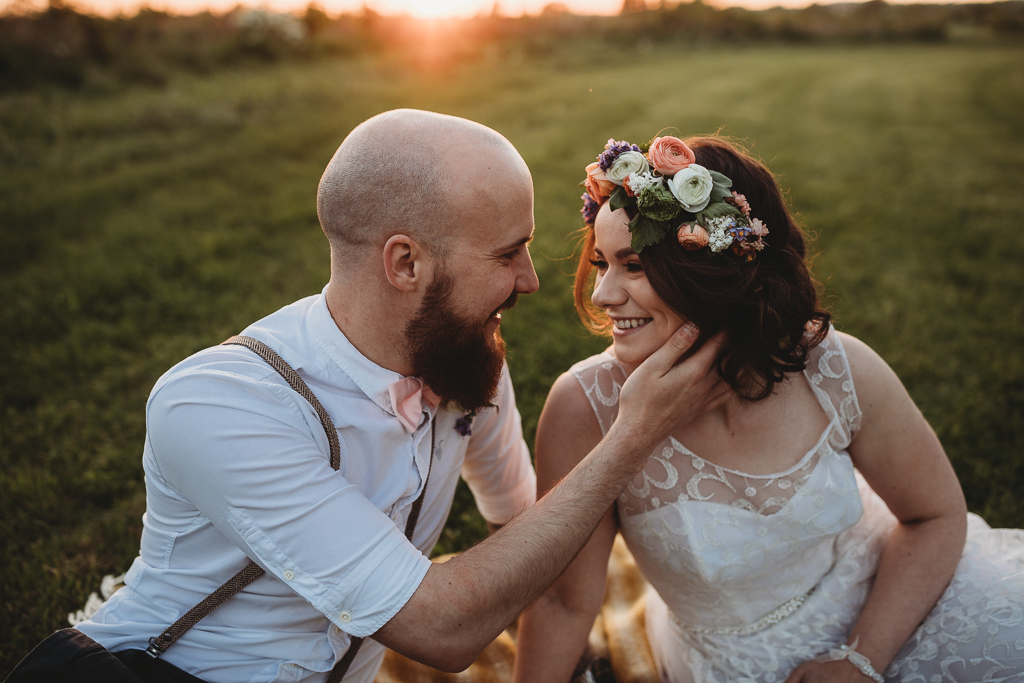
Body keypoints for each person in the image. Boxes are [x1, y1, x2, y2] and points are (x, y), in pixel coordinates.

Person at [6, 110, 729, 683]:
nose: (533, 281)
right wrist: (631, 436)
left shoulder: (469, 361)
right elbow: (441, 630)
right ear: (405, 262)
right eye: (508, 253)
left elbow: (532, 532)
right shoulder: (215, 403)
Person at [512, 134, 1024, 683]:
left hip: (892, 599)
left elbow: (935, 516)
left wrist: (861, 658)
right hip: (731, 662)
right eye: (601, 263)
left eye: (633, 265)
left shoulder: (832, 366)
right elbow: (563, 604)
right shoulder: (584, 408)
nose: (601, 295)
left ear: (712, 269)